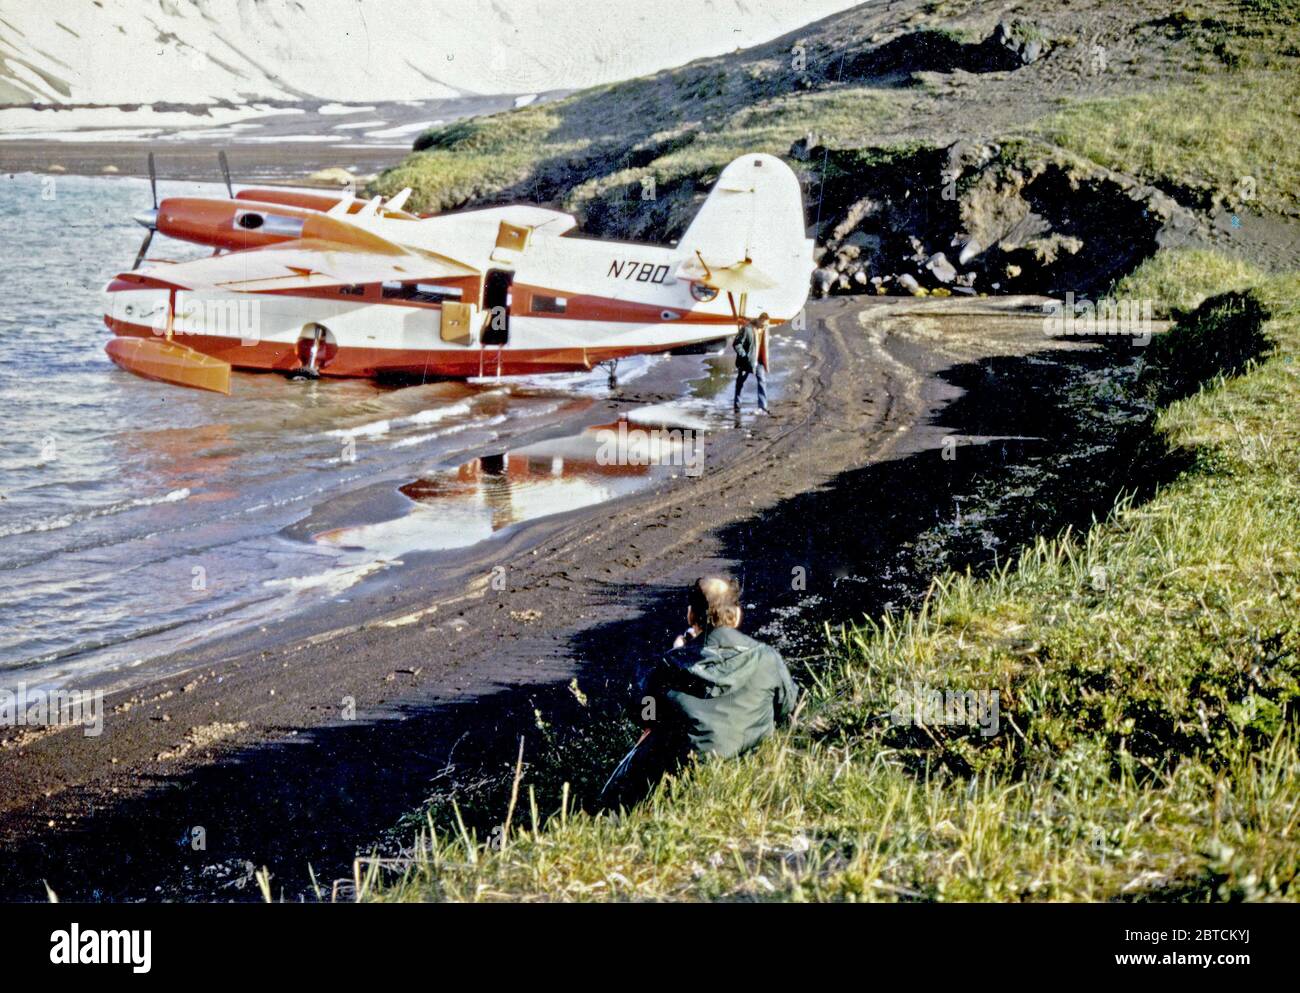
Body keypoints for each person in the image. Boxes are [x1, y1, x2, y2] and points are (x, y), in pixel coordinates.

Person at [600, 576, 798, 809]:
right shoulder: (767, 658)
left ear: (691, 616)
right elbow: (787, 708)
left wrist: (677, 655)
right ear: (735, 616)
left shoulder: (669, 666)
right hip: (751, 771)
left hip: (683, 776)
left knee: (620, 785)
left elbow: (646, 716)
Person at [733, 312, 770, 413]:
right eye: (763, 324)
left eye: (766, 325)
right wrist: (743, 355)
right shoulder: (746, 329)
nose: (764, 326)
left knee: (762, 381)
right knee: (740, 382)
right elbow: (736, 344)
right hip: (746, 362)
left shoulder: (766, 329)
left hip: (759, 361)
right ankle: (737, 405)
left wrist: (766, 359)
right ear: (758, 320)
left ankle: (763, 406)